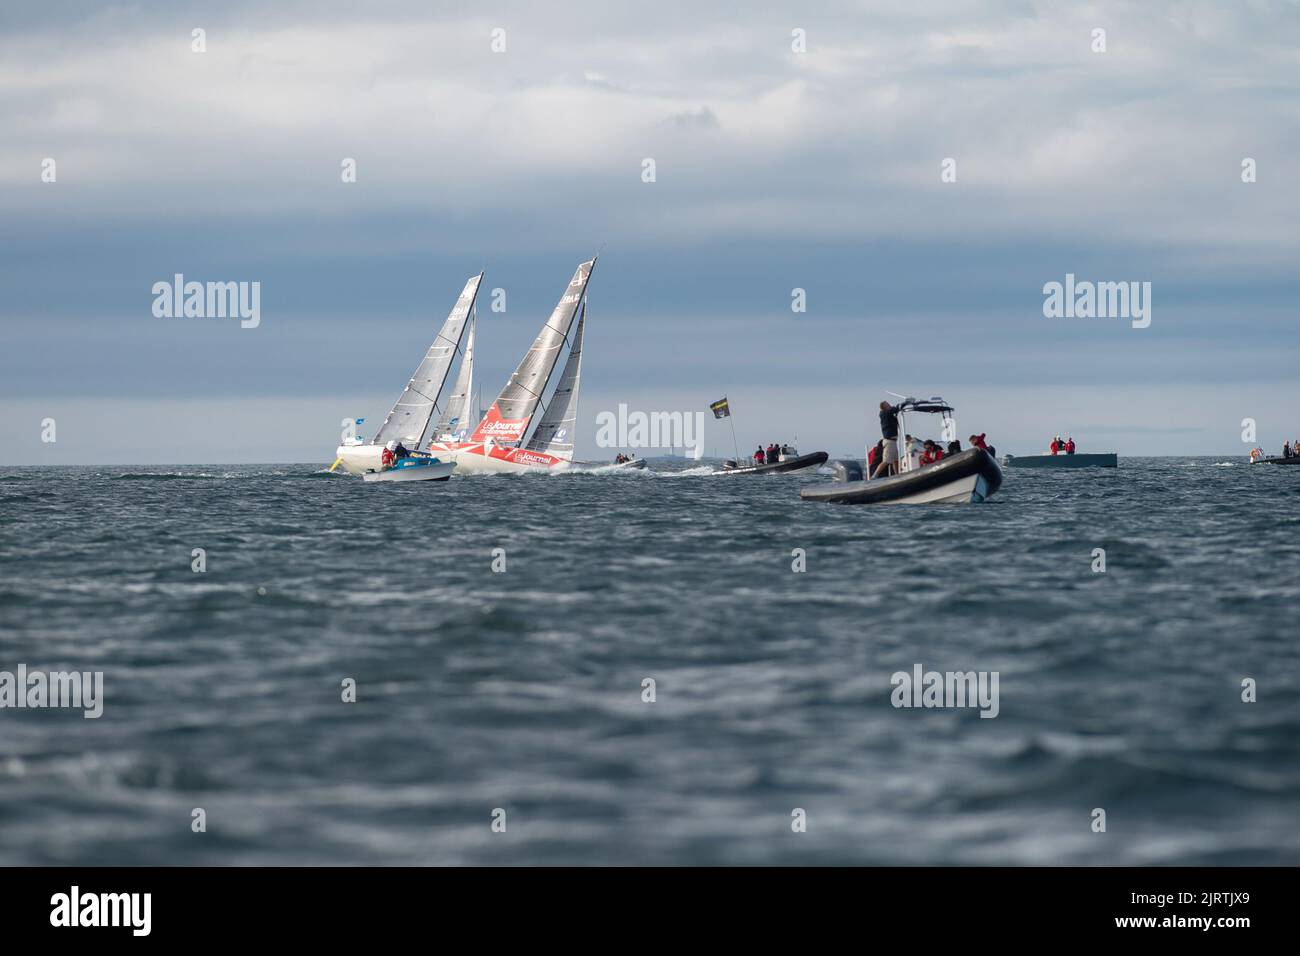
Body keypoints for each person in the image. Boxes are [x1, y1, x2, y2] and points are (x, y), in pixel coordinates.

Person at [873, 401, 900, 478]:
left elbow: (894, 410)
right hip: (889, 441)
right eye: (888, 404)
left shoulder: (888, 413)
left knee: (896, 460)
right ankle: (875, 475)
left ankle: (897, 475)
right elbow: (895, 409)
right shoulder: (884, 413)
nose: (890, 405)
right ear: (885, 407)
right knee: (886, 461)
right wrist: (898, 406)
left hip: (893, 441)